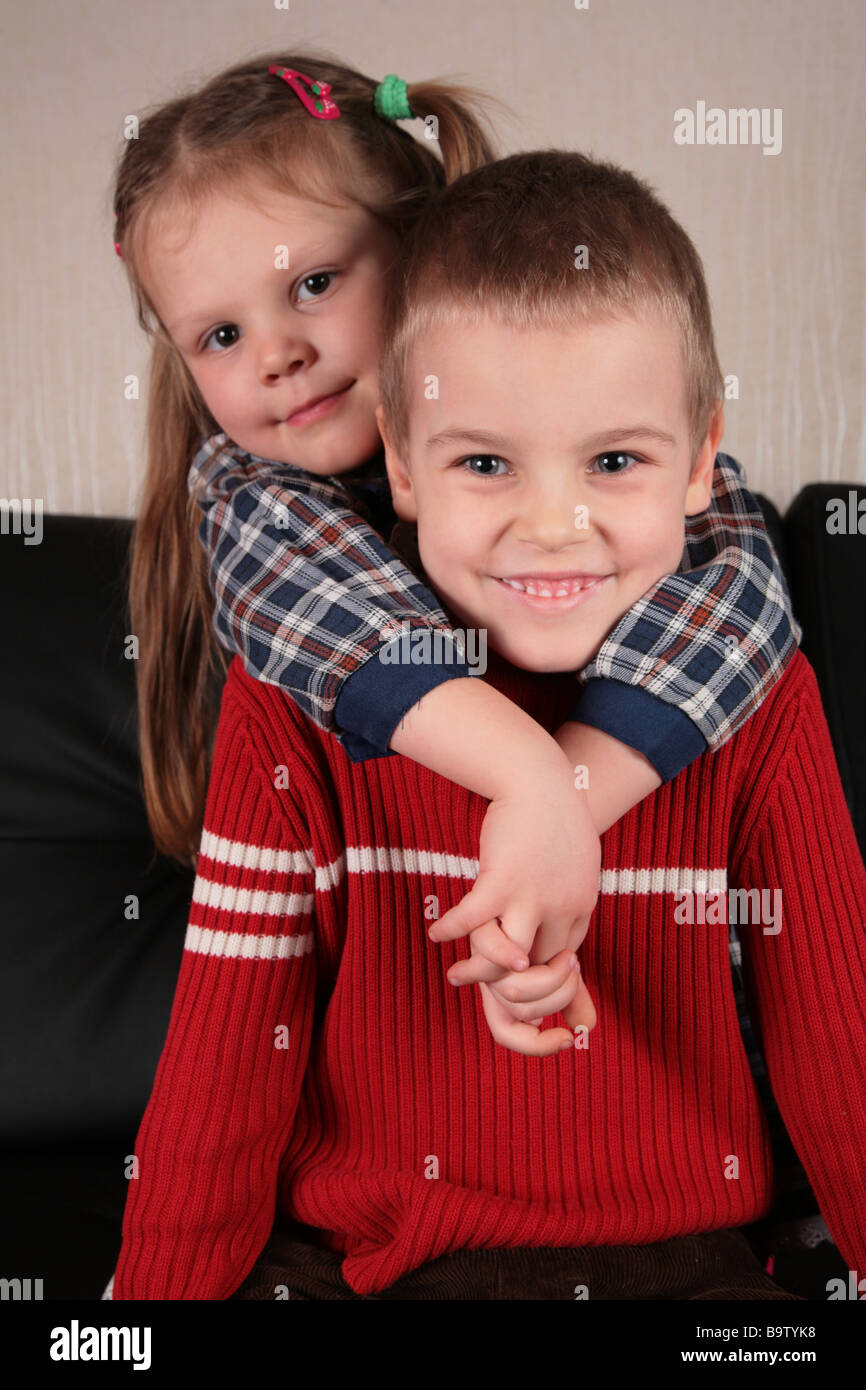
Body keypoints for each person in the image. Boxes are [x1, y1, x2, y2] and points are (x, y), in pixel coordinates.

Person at [105, 148, 866, 1301]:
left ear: (703, 457)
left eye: (612, 460)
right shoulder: (291, 701)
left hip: (683, 1265)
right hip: (372, 1267)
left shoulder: (756, 694)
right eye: (484, 463)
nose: (551, 527)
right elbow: (222, 1074)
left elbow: (840, 1052)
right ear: (401, 463)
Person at [111, 51, 801, 1057]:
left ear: (421, 242)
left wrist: (569, 793)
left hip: (660, 1029)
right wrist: (528, 780)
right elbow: (327, 611)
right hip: (398, 1007)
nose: (275, 351)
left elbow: (743, 600)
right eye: (218, 334)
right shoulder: (249, 501)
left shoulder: (610, 462)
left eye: (312, 282)